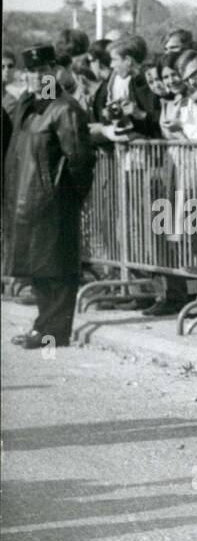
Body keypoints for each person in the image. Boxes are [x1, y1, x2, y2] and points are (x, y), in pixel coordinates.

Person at [4, 45, 95, 348]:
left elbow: (80, 159)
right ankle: (43, 326)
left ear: (53, 71)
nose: (34, 77)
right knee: (39, 269)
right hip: (26, 201)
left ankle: (54, 332)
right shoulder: (28, 107)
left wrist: (68, 196)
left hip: (54, 201)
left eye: (41, 71)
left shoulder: (64, 108)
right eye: (29, 71)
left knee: (57, 269)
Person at [90, 34, 160, 142]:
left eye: (114, 60)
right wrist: (116, 115)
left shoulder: (153, 80)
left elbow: (165, 118)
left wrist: (141, 114)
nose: (111, 65)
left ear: (128, 60)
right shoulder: (132, 81)